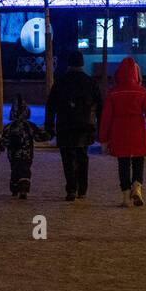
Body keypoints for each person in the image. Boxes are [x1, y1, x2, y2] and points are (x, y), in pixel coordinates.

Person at [100, 56, 146, 207]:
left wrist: (103, 139)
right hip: (137, 132)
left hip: (119, 133)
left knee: (123, 164)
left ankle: (124, 196)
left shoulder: (113, 93)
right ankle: (137, 186)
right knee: (138, 161)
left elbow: (106, 119)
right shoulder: (142, 92)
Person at [44, 50, 102, 201]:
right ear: (82, 63)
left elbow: (51, 106)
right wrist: (100, 127)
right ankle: (82, 188)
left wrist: (49, 127)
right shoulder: (90, 82)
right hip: (85, 125)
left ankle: (71, 188)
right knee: (82, 156)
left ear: (69, 64)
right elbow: (100, 105)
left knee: (68, 157)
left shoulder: (61, 82)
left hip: (65, 125)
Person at [0, 93, 43, 199]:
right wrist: (48, 135)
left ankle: (15, 188)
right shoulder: (29, 126)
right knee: (25, 170)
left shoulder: (10, 127)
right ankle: (23, 189)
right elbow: (38, 137)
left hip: (14, 154)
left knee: (15, 170)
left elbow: (4, 140)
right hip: (27, 154)